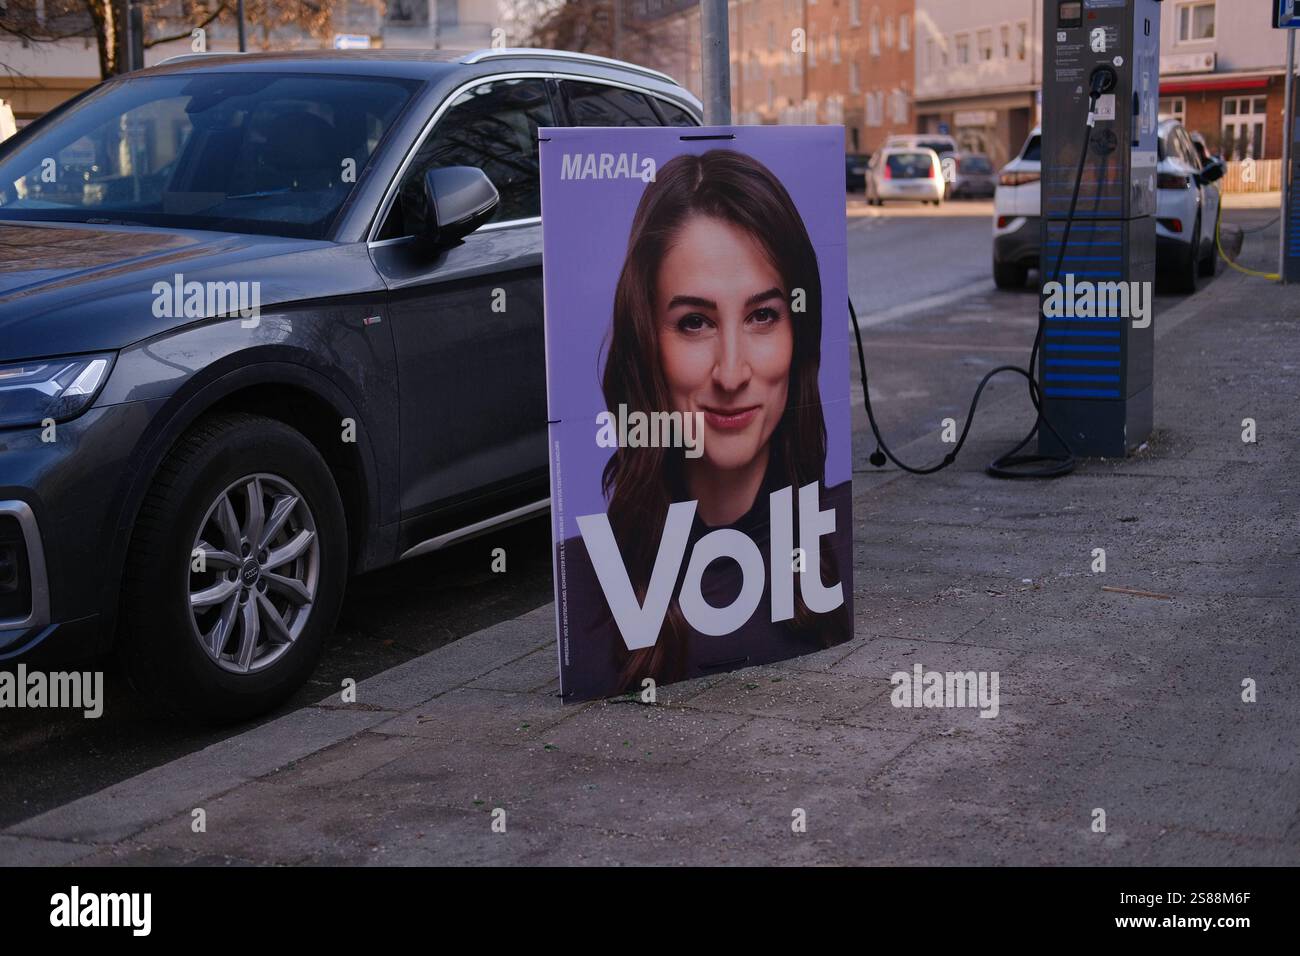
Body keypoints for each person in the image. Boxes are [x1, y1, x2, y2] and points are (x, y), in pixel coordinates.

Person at [561, 149, 852, 700]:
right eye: (694, 322)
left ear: (800, 336)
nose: (732, 371)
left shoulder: (836, 545)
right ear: (647, 340)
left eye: (763, 315)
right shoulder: (585, 588)